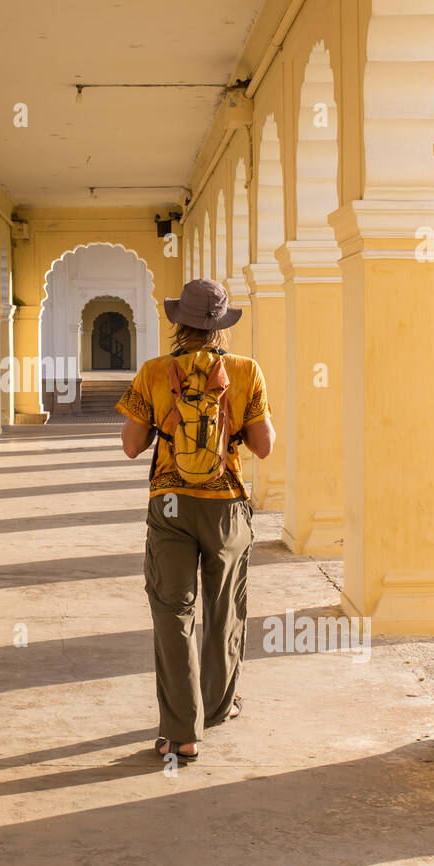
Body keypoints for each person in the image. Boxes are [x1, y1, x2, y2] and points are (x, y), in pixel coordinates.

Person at [115, 277, 276, 763]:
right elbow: (264, 446)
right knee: (224, 608)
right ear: (221, 326)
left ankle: (181, 732)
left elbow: (129, 445)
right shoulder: (245, 371)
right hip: (226, 506)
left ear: (178, 323)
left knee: (173, 612)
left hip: (170, 505)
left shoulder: (153, 372)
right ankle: (220, 705)